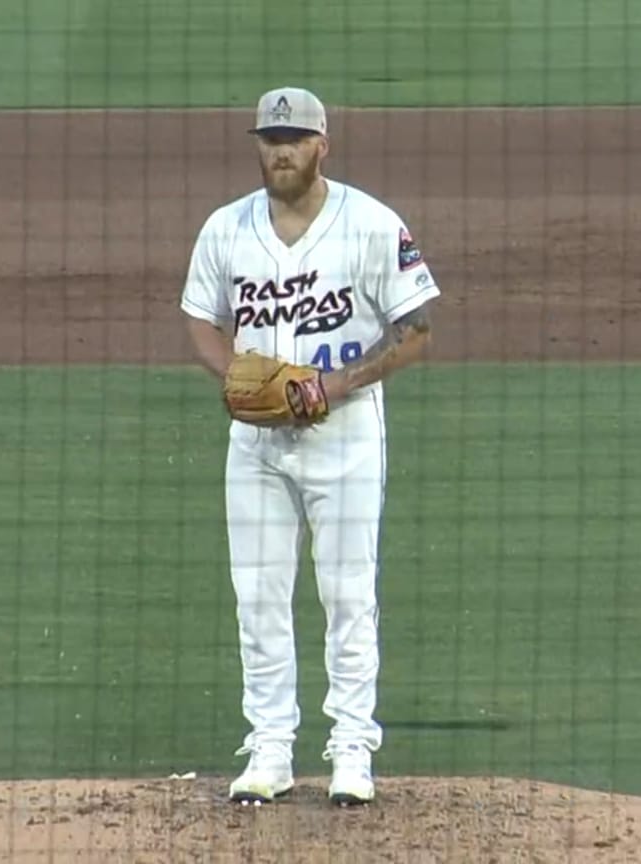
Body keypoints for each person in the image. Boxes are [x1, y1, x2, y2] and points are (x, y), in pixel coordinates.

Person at [177, 86, 441, 806]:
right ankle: (269, 747)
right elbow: (201, 317)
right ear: (257, 145)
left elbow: (418, 329)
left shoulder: (371, 224)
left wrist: (341, 383)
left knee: (348, 594)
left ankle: (352, 748)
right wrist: (237, 373)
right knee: (258, 596)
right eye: (270, 138)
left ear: (323, 144)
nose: (282, 149)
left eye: (295, 137)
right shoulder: (226, 230)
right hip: (256, 444)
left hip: (346, 439)